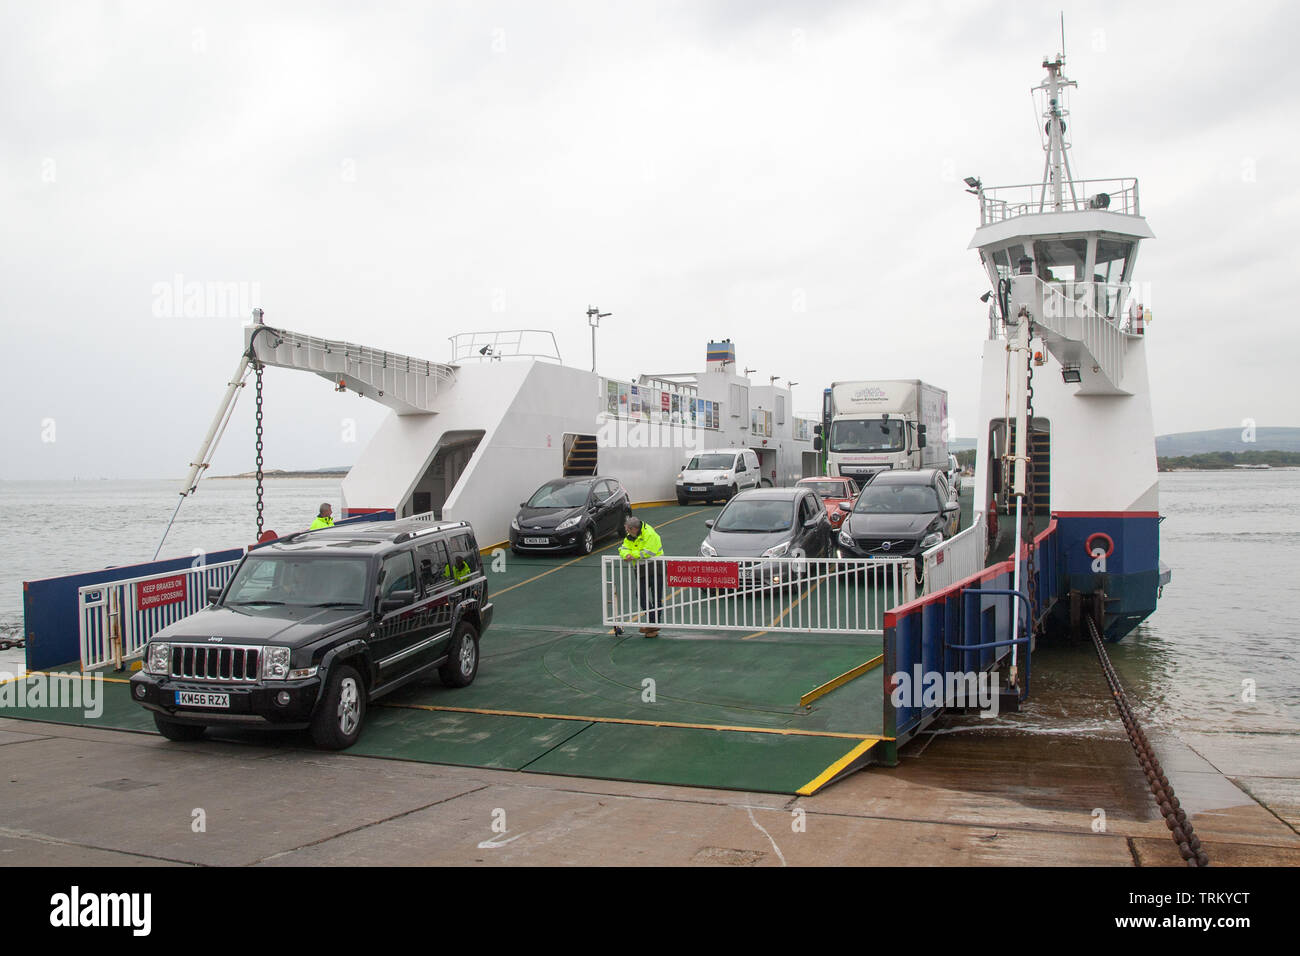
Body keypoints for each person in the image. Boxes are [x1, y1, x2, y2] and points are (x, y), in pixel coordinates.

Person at [618, 515, 663, 637]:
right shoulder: (630, 536)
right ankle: (654, 623)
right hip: (641, 569)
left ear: (634, 529)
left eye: (628, 529)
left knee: (656, 597)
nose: (626, 532)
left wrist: (632, 555)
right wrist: (626, 555)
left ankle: (653, 625)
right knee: (641, 595)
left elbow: (649, 552)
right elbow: (623, 548)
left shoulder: (649, 533)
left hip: (655, 567)